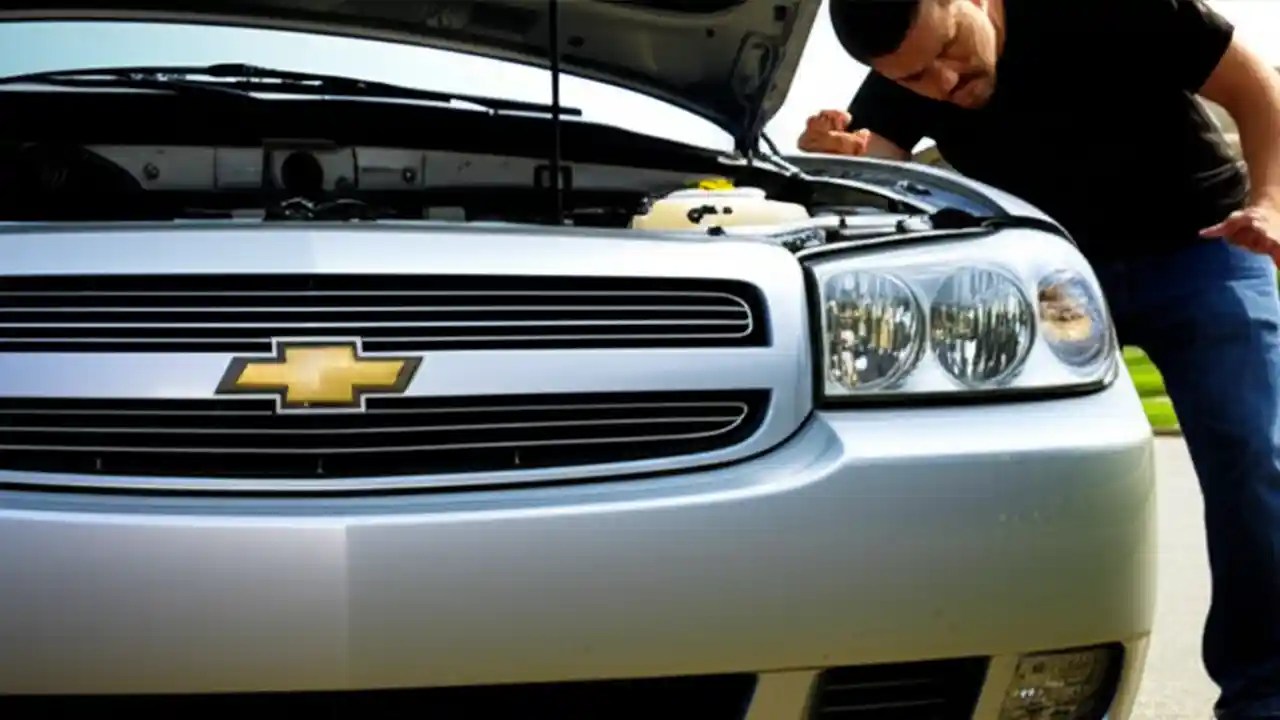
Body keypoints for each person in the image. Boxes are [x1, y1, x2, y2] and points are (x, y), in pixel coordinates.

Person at [798, 0, 1280, 717]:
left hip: (1201, 245)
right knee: (1008, 473)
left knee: (1254, 456)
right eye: (915, 78)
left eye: (950, 51)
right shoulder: (910, 68)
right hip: (1056, 281)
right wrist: (837, 160)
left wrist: (1271, 200)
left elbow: (1254, 85)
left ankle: (1265, 696)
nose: (942, 82)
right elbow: (886, 174)